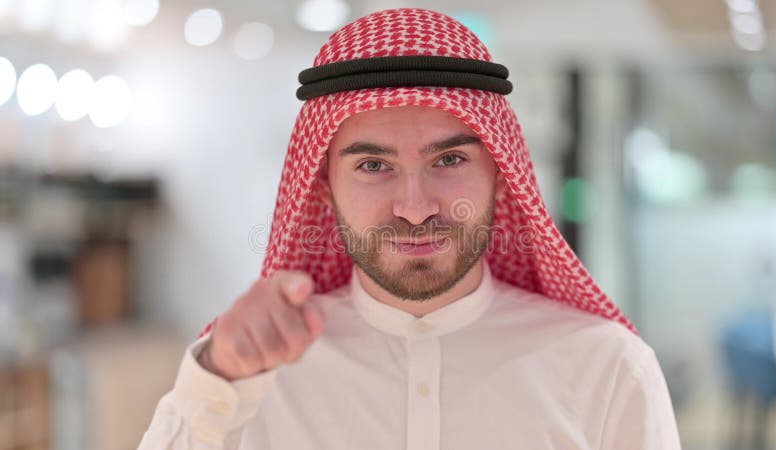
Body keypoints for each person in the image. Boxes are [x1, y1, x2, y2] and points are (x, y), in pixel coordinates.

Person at [138, 7, 682, 450]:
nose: (416, 208)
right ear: (323, 186)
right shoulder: (243, 381)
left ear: (500, 175)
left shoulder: (606, 367)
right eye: (373, 166)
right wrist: (219, 377)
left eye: (448, 162)